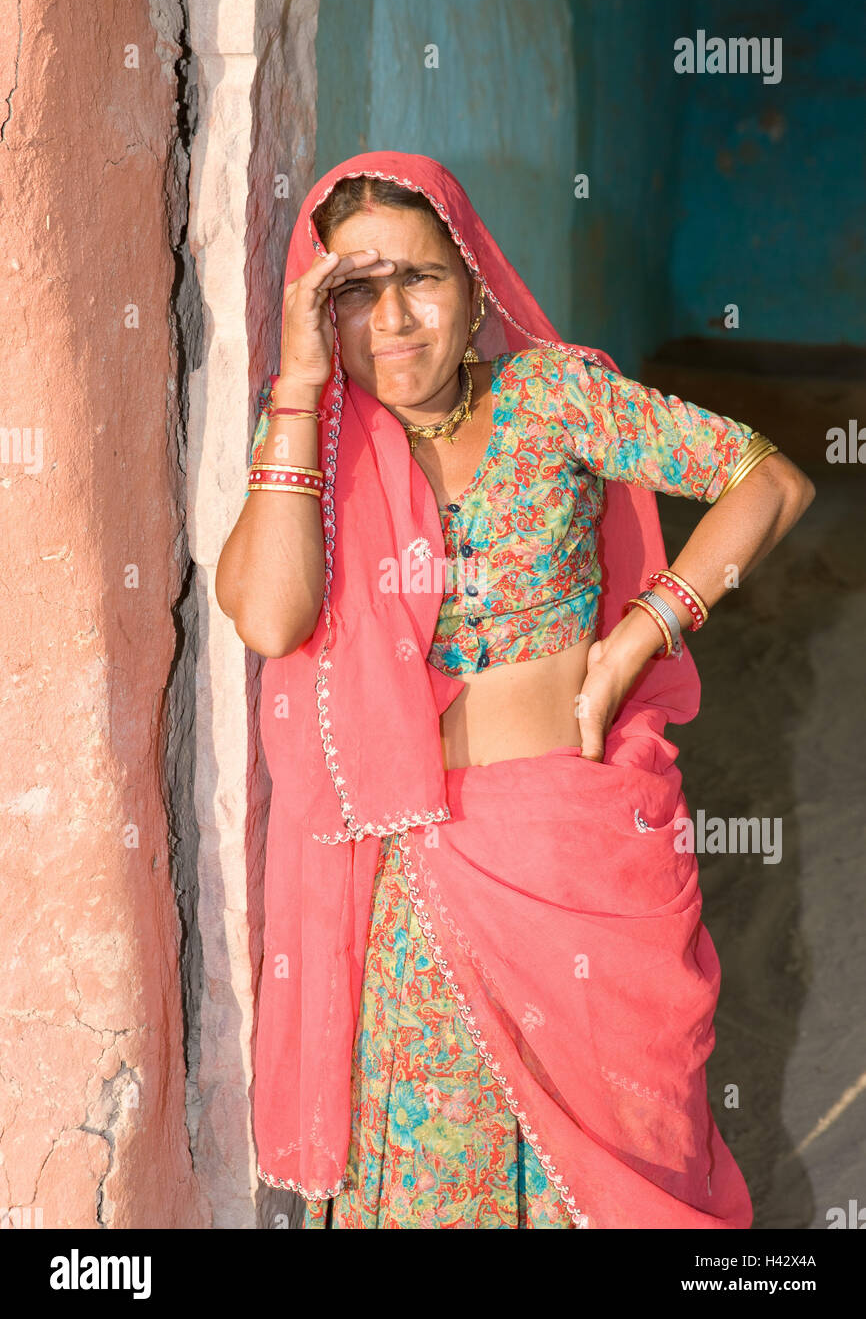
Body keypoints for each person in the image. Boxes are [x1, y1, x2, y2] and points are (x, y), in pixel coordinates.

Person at [215, 151, 815, 1229]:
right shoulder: (320, 440)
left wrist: (642, 631)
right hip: (416, 893)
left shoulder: (554, 397)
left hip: (582, 857)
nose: (393, 319)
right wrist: (299, 390)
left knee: (619, 1176)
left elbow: (767, 480)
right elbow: (268, 616)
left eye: (422, 278)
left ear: (473, 281)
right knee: (443, 1187)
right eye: (355, 291)